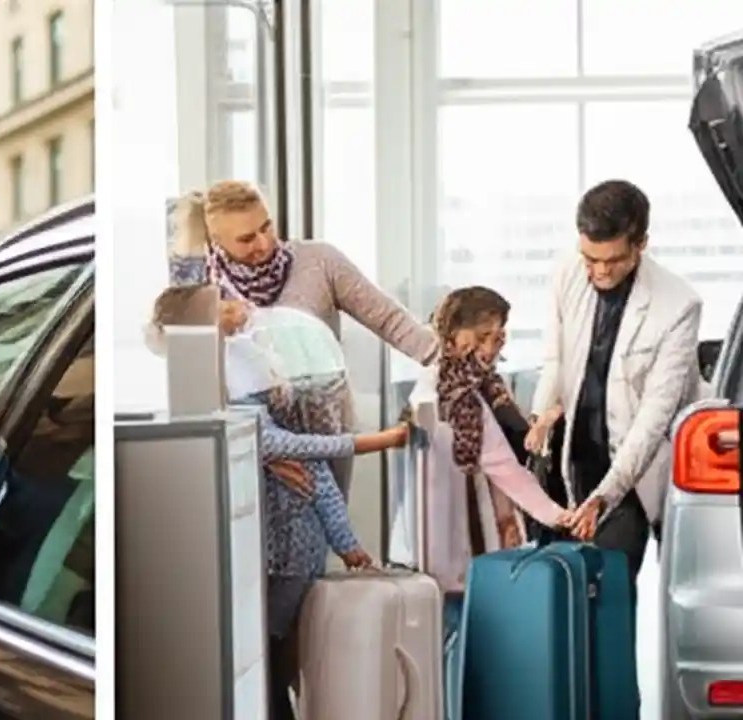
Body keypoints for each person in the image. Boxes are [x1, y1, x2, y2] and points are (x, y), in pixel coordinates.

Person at [151, 285, 404, 720]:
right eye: (222, 303)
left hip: (287, 555)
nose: (238, 307)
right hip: (282, 556)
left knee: (272, 650)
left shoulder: (240, 398)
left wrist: (346, 543)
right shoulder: (240, 419)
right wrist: (376, 443)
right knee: (271, 651)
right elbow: (289, 451)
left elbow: (309, 470)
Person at [167, 181, 438, 499]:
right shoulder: (200, 287)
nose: (265, 242)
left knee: (329, 532)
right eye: (246, 238)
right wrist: (210, 321)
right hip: (250, 440)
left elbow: (390, 319)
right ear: (217, 242)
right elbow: (165, 348)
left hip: (326, 427)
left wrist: (453, 360)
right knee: (253, 543)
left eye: (267, 226)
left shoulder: (319, 261)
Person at [526, 179, 703, 596]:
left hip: (629, 473)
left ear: (641, 243)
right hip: (571, 460)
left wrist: (605, 497)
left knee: (610, 593)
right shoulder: (567, 270)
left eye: (613, 260)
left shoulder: (678, 305)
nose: (600, 271)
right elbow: (555, 358)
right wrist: (540, 417)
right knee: (558, 595)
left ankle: (613, 664)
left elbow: (653, 417)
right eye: (591, 259)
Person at [410, 288, 570, 630]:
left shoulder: (448, 382)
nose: (491, 348)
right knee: (465, 629)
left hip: (433, 536)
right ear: (453, 334)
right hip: (461, 535)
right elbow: (505, 468)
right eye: (483, 337)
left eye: (498, 337)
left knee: (448, 628)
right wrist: (558, 516)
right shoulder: (464, 396)